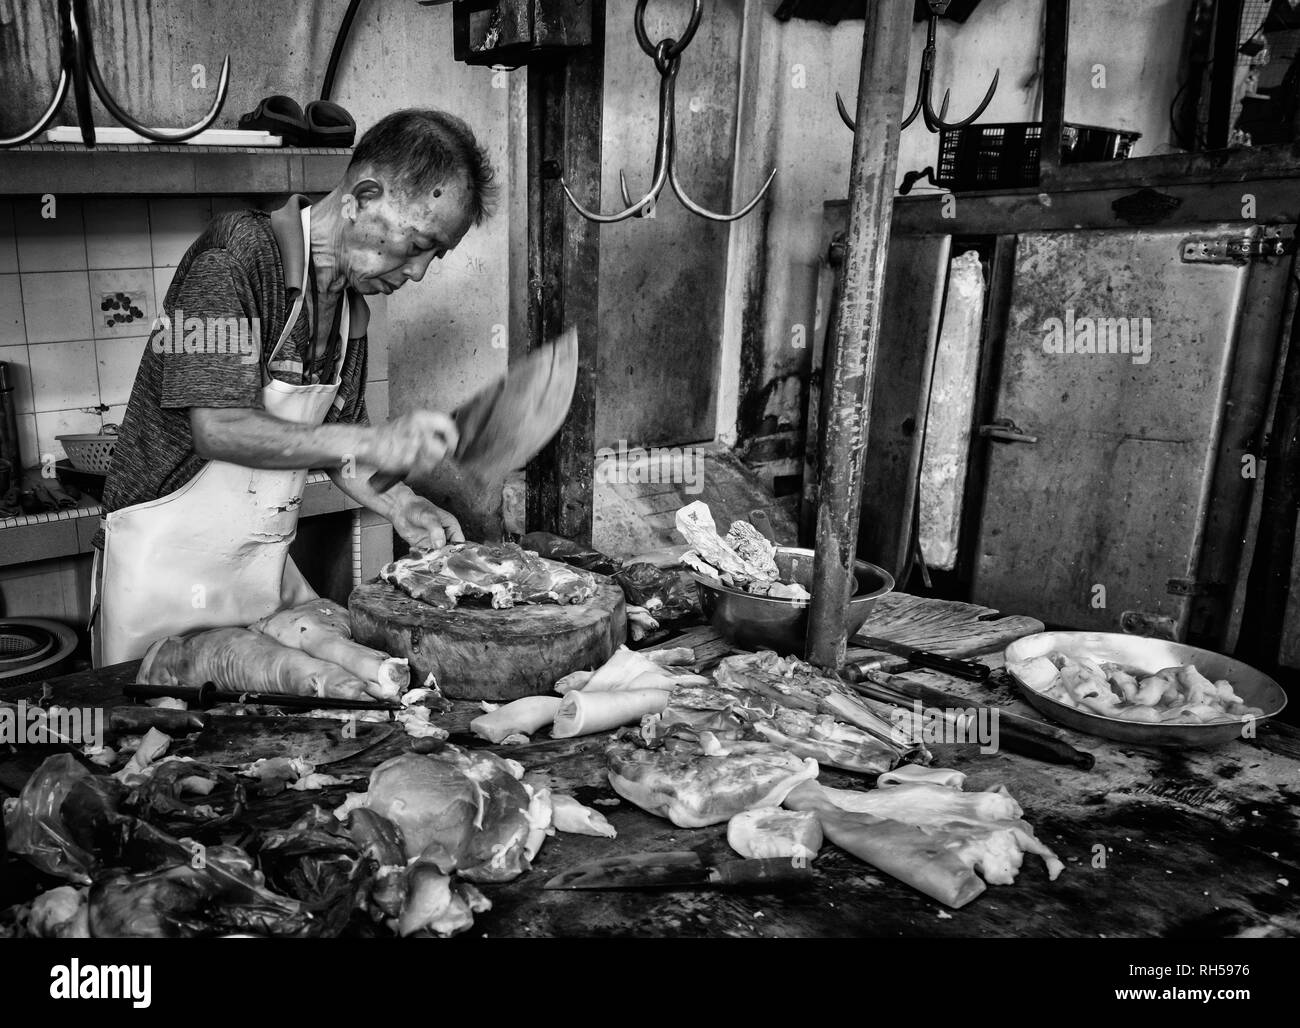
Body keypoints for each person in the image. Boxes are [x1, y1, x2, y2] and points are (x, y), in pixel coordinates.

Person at [90, 108, 494, 667]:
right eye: (418, 242)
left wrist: (403, 502)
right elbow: (218, 428)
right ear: (364, 195)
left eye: (438, 254)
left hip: (257, 577)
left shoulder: (351, 313)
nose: (420, 272)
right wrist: (369, 442)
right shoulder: (234, 257)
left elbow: (336, 444)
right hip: (160, 580)